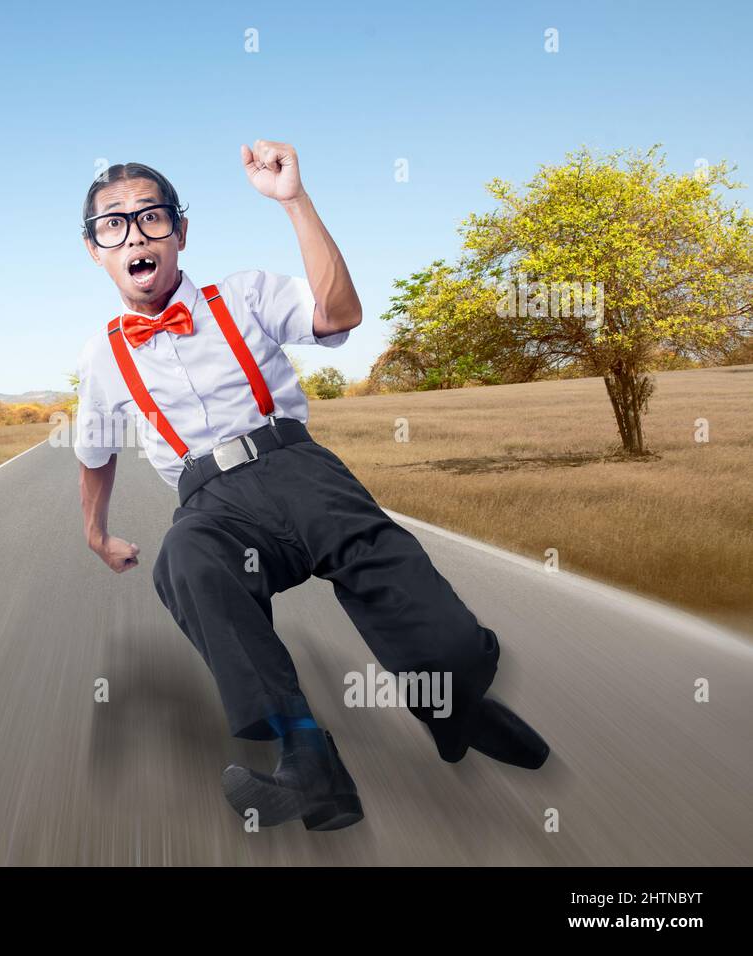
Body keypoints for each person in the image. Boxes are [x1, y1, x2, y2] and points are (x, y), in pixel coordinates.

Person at [73, 141, 550, 832]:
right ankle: (308, 759)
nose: (135, 235)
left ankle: (455, 711)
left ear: (179, 231)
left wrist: (293, 200)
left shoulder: (242, 293)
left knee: (446, 643)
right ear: (96, 250)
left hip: (300, 470)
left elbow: (341, 313)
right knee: (186, 561)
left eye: (151, 217)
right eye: (113, 224)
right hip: (210, 505)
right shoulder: (102, 357)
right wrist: (96, 532)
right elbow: (94, 451)